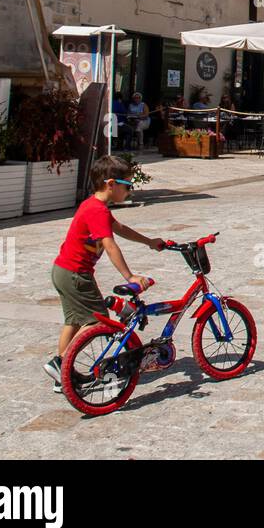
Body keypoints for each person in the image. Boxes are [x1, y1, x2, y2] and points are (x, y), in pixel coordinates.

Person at [44, 155, 165, 392]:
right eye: (127, 186)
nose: (130, 191)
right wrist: (130, 277)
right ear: (111, 184)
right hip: (76, 275)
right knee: (97, 321)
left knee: (74, 321)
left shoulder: (96, 207)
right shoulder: (96, 210)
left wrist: (149, 242)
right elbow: (110, 244)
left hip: (63, 271)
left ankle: (63, 376)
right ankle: (61, 364)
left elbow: (121, 229)